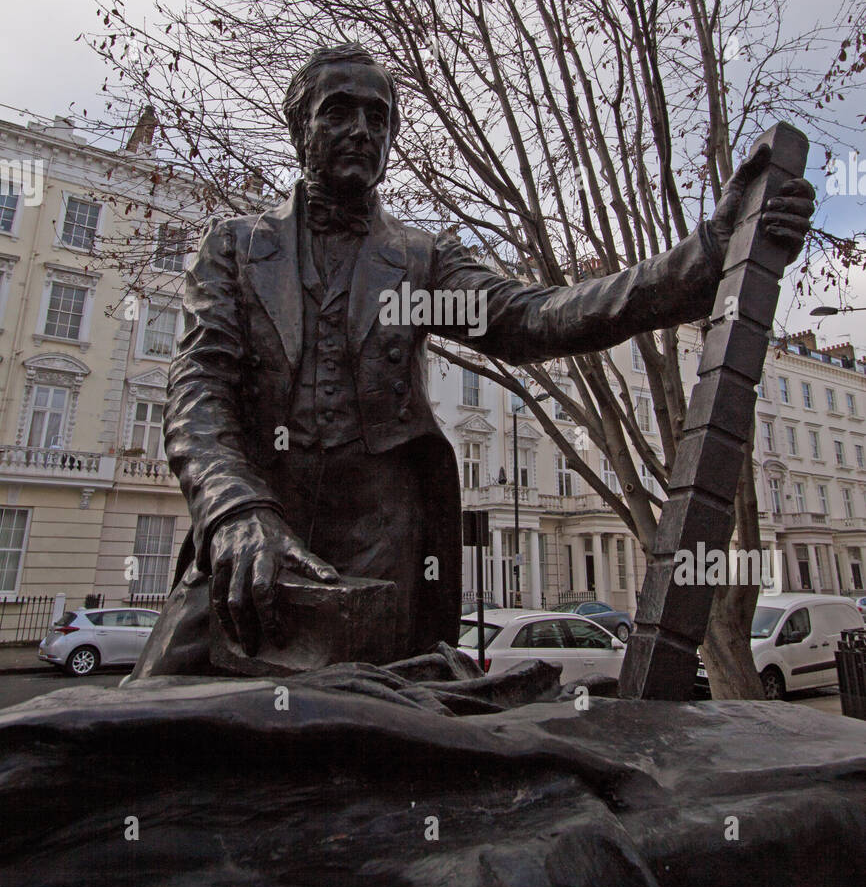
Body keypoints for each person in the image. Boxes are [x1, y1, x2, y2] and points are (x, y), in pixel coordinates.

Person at [132, 44, 814, 676]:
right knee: (145, 714)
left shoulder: (421, 261)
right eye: (338, 111)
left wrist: (704, 253)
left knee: (385, 756)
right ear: (298, 128)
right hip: (255, 529)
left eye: (380, 117)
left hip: (381, 549)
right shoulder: (234, 249)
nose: (363, 130)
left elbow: (535, 316)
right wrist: (233, 510)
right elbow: (198, 387)